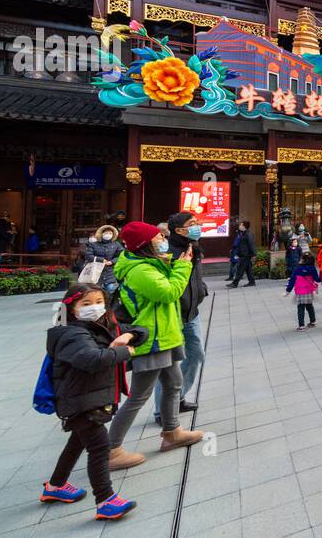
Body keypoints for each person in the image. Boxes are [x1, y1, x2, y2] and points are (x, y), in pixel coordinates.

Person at [40, 284, 144, 520]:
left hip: (86, 398)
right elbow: (92, 359)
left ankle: (55, 487)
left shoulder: (98, 327)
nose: (95, 307)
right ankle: (105, 500)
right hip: (79, 401)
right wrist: (126, 351)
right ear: (71, 308)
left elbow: (140, 330)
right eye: (86, 304)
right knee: (99, 448)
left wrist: (129, 335)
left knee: (77, 443)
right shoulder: (72, 334)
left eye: (99, 302)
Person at [107, 222, 204, 467]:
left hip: (165, 334)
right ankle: (110, 450)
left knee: (174, 383)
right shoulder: (140, 270)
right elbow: (169, 292)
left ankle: (172, 432)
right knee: (140, 394)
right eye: (158, 236)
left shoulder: (151, 264)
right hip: (151, 337)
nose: (163, 239)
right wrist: (183, 266)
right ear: (144, 244)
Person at [153, 213, 207, 425]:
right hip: (172, 314)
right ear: (178, 230)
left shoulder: (194, 248)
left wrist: (201, 290)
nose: (197, 227)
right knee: (169, 365)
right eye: (191, 224)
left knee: (196, 355)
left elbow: (195, 277)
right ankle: (161, 411)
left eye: (197, 223)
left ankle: (178, 396)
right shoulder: (168, 253)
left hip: (192, 312)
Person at [83, 224, 123, 295]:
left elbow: (121, 255)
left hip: (110, 273)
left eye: (110, 233)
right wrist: (101, 260)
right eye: (106, 233)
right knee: (96, 292)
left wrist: (112, 261)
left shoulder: (116, 244)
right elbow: (88, 255)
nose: (108, 234)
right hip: (95, 273)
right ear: (101, 234)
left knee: (111, 291)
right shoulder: (93, 244)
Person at [286, 251, 321, 330]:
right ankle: (313, 321)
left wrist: (287, 291)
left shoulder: (297, 269)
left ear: (302, 260)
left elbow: (292, 281)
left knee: (300, 308)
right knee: (309, 306)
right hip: (309, 291)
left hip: (300, 292)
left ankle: (301, 325)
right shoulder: (313, 269)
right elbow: (317, 279)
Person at [227, 219, 257, 287]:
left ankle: (235, 283)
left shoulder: (248, 234)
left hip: (245, 255)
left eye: (241, 224)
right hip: (244, 254)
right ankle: (252, 282)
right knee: (248, 269)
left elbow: (251, 244)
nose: (239, 226)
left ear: (244, 226)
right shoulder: (243, 233)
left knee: (240, 269)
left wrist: (253, 254)